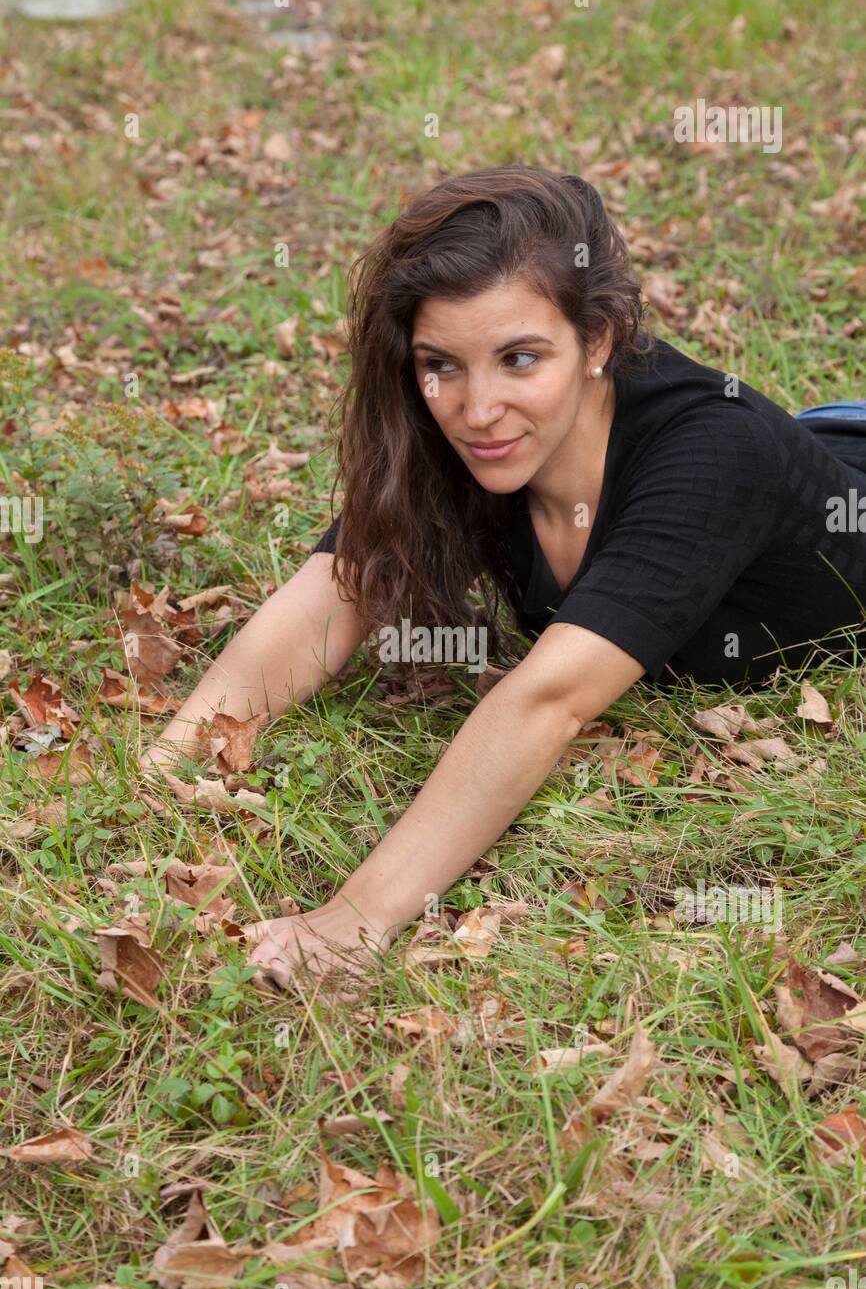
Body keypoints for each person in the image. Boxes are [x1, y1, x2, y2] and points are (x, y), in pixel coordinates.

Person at [141, 164, 866, 983]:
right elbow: (337, 587)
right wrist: (175, 758)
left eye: (521, 358)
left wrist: (357, 916)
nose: (478, 409)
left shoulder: (711, 458)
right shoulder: (467, 431)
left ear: (598, 340)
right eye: (441, 362)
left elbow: (548, 698)